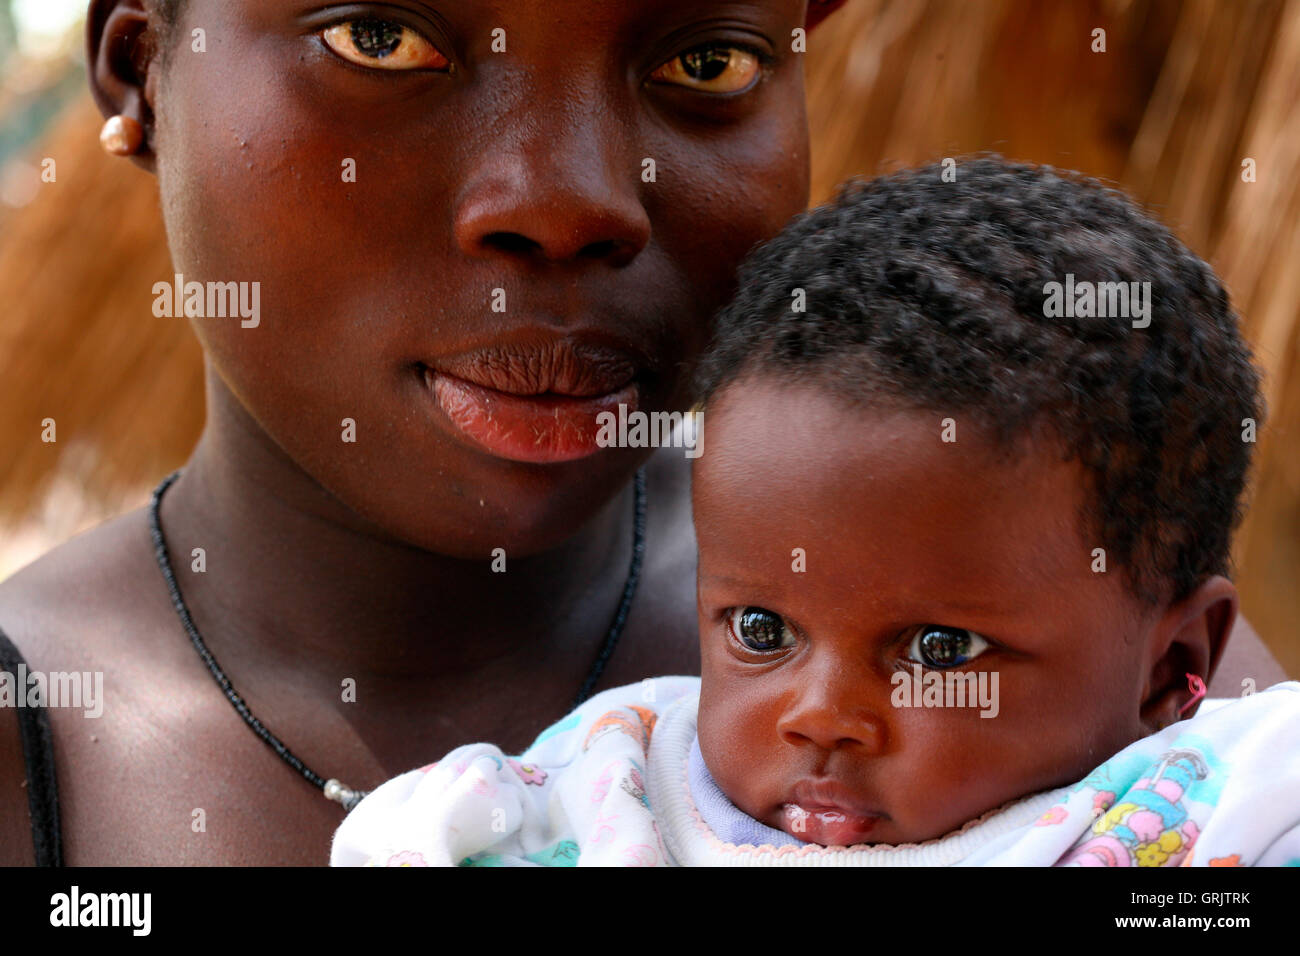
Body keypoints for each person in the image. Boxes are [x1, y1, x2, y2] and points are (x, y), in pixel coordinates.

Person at [0, 2, 1282, 866]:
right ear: (137, 67)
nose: (566, 199)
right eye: (382, 34)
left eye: (706, 58)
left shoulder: (1098, 636)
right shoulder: (36, 755)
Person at [330, 158, 1300, 866]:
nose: (821, 715)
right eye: (760, 629)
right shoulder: (607, 789)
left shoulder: (1210, 808)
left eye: (939, 649)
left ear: (1174, 664)